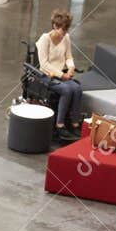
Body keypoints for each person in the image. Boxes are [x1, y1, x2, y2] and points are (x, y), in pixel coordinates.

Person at [35, 10, 82, 139]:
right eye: (63, 29)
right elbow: (44, 64)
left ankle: (74, 123)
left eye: (66, 29)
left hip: (61, 74)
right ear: (55, 26)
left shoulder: (66, 37)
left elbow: (68, 56)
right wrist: (62, 75)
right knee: (67, 90)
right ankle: (60, 125)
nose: (65, 33)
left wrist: (71, 67)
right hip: (47, 75)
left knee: (77, 89)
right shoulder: (45, 39)